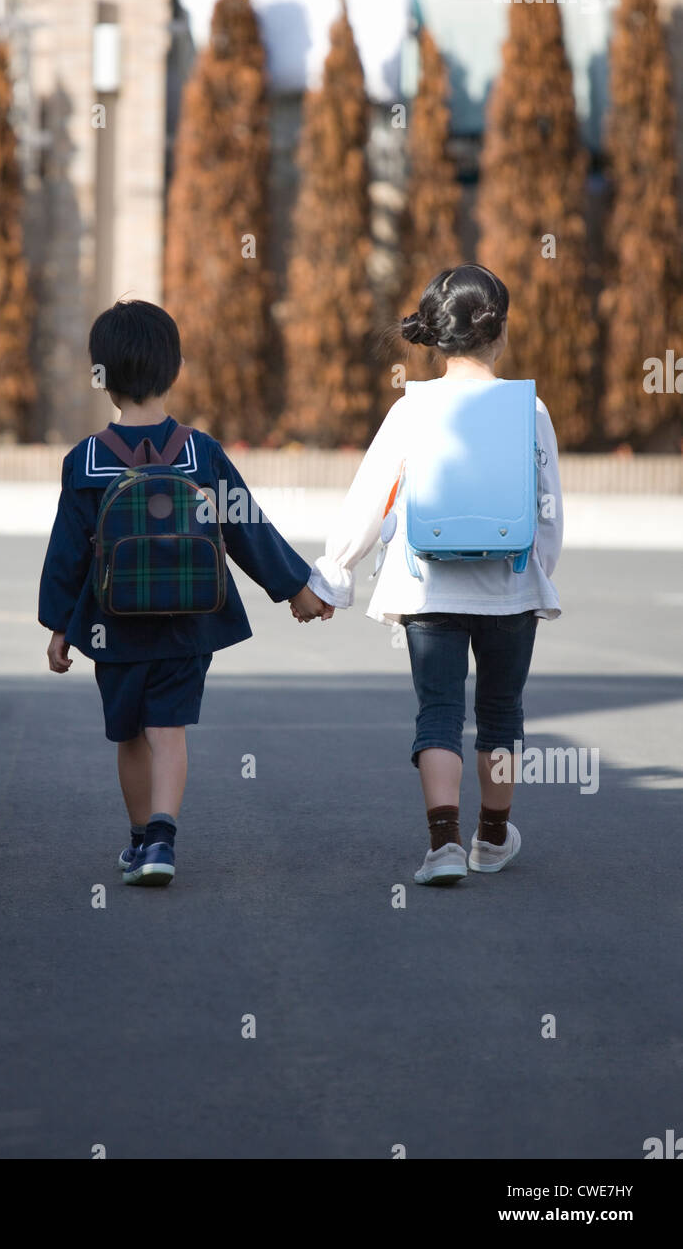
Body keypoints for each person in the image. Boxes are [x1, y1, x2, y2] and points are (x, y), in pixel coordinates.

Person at [38, 299, 328, 887]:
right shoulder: (203, 454)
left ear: (102, 377)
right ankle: (164, 842)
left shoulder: (85, 461)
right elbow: (247, 526)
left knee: (129, 736)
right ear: (176, 368)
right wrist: (295, 587)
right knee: (168, 730)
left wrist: (60, 626)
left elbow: (68, 552)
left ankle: (140, 840)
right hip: (190, 620)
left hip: (111, 626)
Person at [307, 264, 563, 885]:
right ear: (500, 332)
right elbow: (548, 511)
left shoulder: (409, 411)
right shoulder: (530, 410)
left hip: (428, 585)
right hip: (511, 588)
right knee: (502, 716)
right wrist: (534, 578)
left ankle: (443, 846)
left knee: (440, 714)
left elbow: (368, 498)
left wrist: (332, 574)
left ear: (438, 337)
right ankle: (492, 840)